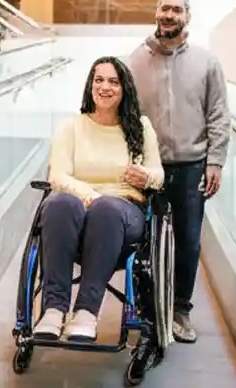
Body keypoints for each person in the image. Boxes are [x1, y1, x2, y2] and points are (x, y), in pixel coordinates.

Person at [33, 57, 165, 342]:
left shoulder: (140, 128)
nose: (105, 87)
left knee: (106, 209)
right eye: (99, 80)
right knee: (58, 203)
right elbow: (58, 175)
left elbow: (159, 174)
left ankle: (87, 312)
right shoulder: (72, 128)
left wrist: (146, 178)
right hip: (76, 210)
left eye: (113, 81)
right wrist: (90, 197)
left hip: (123, 213)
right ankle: (54, 309)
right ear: (90, 85)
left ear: (124, 88)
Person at [126, 0, 229, 344]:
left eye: (176, 9)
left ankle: (180, 310)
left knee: (187, 242)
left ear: (187, 15)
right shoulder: (133, 62)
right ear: (156, 13)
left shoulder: (206, 63)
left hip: (190, 168)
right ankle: (145, 308)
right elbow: (124, 118)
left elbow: (218, 115)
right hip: (147, 168)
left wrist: (215, 161)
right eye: (164, 8)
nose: (169, 14)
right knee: (141, 240)